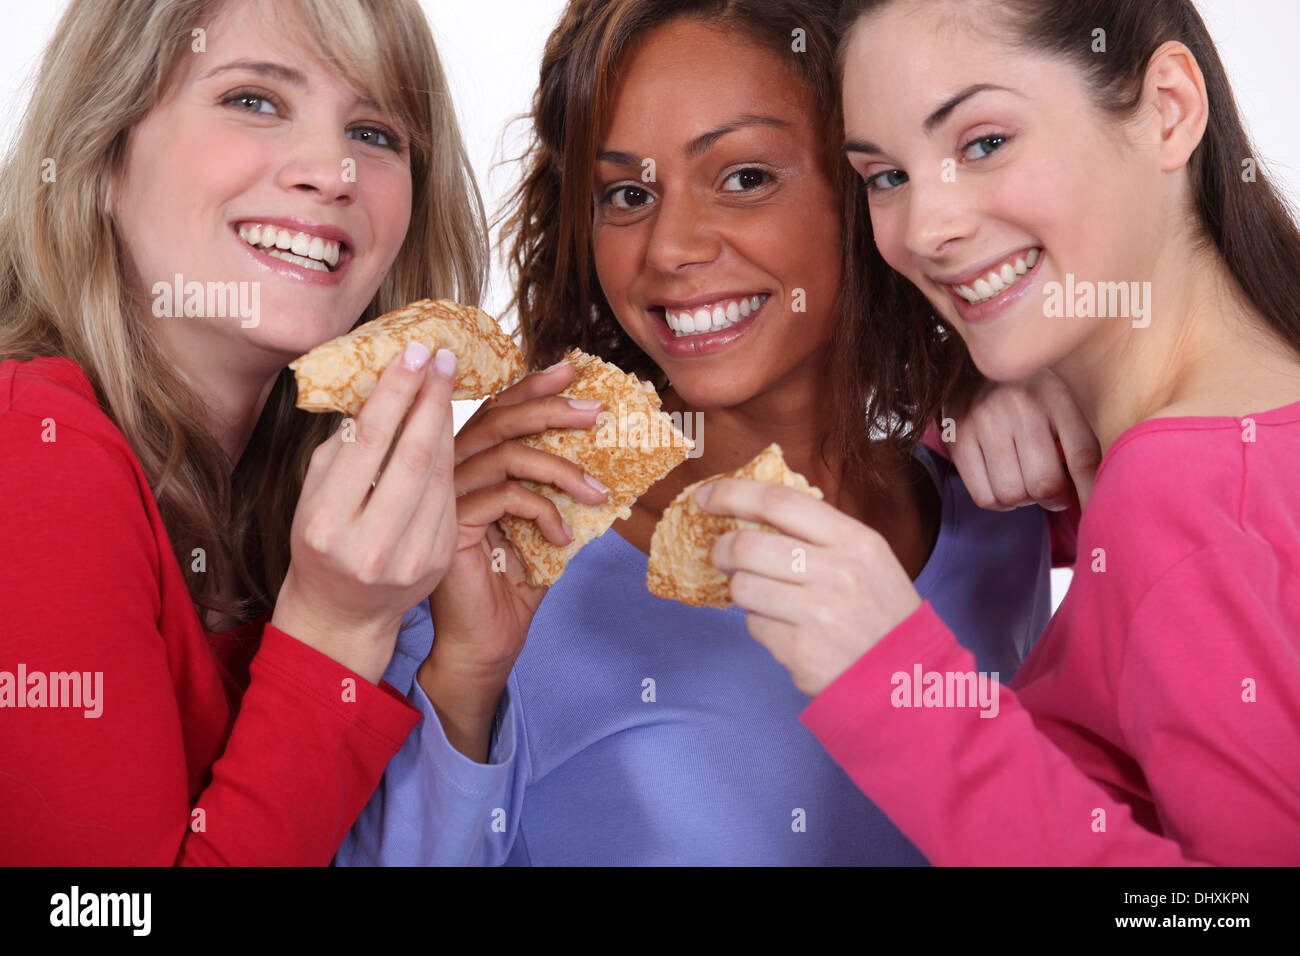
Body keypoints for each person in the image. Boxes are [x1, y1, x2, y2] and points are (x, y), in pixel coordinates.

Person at [338, 0, 1077, 867]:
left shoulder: (1001, 512)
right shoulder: (499, 557)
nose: (671, 248)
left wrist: (1018, 372)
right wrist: (464, 675)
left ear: (871, 183)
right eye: (628, 194)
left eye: (745, 176)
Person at [698, 0, 1300, 863]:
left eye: (984, 143)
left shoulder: (1178, 496)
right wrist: (984, 392)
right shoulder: (1211, 438)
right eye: (884, 177)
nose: (925, 230)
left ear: (1168, 107)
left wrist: (902, 689)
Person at [0, 0, 485, 864]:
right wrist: (337, 632)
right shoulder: (34, 453)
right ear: (103, 155)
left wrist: (464, 660)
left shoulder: (303, 507)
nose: (333, 172)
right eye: (254, 100)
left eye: (375, 133)